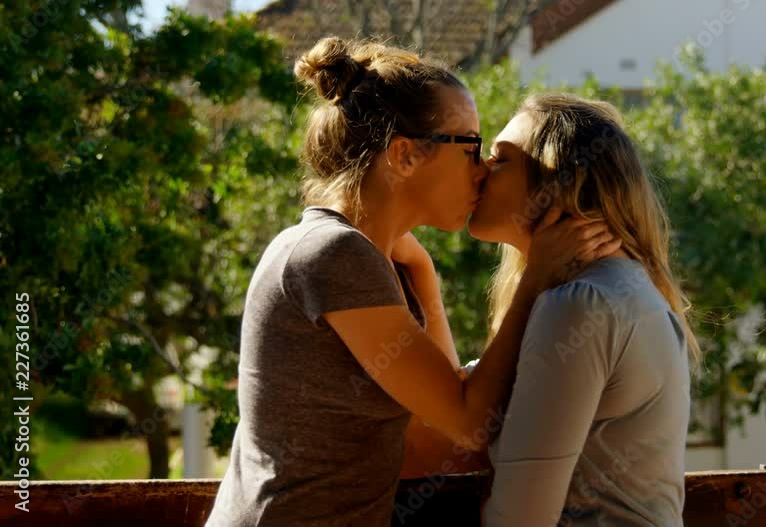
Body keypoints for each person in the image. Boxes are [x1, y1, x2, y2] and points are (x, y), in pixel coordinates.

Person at [205, 38, 621, 526]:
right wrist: (535, 279)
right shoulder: (334, 254)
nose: (484, 170)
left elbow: (440, 431)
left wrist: (424, 278)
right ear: (404, 155)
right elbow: (468, 424)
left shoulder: (360, 256)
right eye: (470, 146)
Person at [469, 94, 701, 526]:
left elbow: (519, 518)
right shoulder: (622, 290)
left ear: (558, 184)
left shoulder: (581, 305)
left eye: (500, 159)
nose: (479, 171)